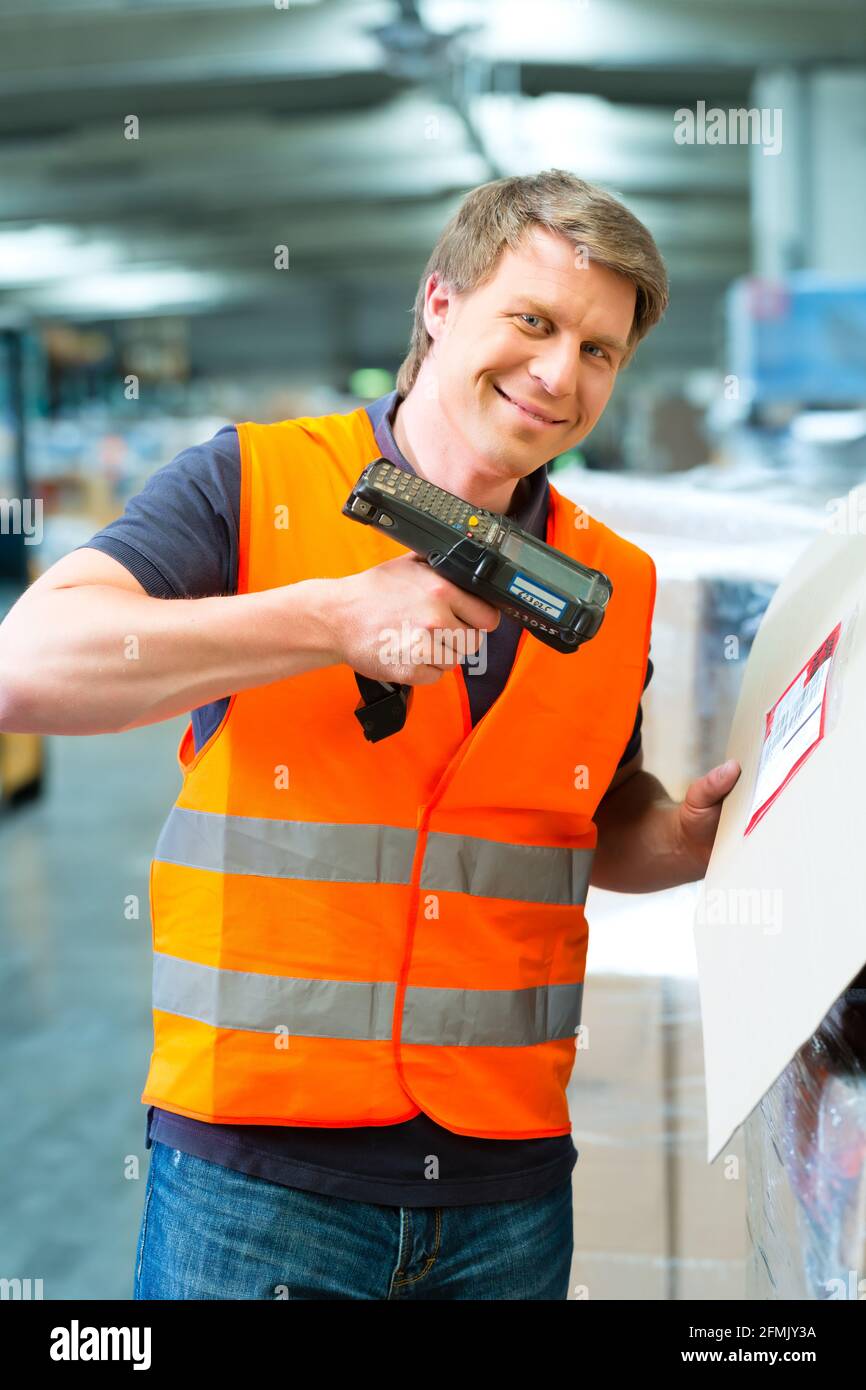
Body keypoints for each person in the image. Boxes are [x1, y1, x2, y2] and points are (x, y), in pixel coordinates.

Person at [0, 169, 741, 1301]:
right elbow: (28, 669)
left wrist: (679, 840)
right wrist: (326, 619)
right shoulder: (252, 483)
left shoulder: (611, 583)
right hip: (258, 1179)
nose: (559, 374)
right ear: (440, 302)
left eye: (598, 349)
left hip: (506, 1187)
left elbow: (594, 815)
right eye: (532, 321)